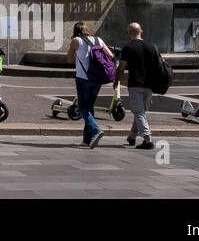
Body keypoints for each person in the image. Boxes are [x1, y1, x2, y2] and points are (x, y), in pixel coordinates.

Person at [115, 22, 161, 150]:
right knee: (140, 112)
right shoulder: (152, 47)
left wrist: (116, 80)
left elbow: (121, 67)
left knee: (139, 112)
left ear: (129, 32)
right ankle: (132, 136)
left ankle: (147, 139)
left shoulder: (128, 48)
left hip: (135, 84)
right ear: (141, 31)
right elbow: (160, 65)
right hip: (150, 85)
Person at [65, 21, 107, 148]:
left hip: (83, 78)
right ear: (87, 29)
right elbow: (110, 55)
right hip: (97, 79)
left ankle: (95, 130)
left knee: (83, 108)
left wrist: (73, 45)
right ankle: (86, 140)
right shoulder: (98, 39)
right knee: (89, 107)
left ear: (75, 30)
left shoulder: (76, 40)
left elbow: (69, 59)